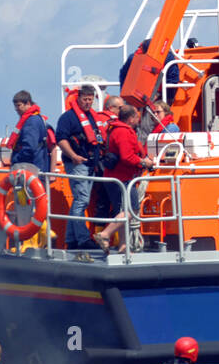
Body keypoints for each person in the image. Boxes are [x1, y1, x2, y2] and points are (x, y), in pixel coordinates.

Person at [94, 103, 156, 253]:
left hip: (116, 177)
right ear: (130, 118)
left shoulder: (115, 129)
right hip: (123, 178)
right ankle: (105, 234)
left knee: (121, 211)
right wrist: (144, 162)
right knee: (131, 211)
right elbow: (127, 156)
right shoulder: (123, 132)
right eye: (136, 117)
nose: (138, 120)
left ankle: (123, 246)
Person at [57, 86, 107, 250]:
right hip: (77, 164)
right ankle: (83, 239)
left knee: (79, 201)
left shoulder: (93, 117)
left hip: (91, 165)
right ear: (78, 98)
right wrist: (73, 156)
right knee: (82, 200)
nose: (87, 102)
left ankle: (71, 239)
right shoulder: (68, 118)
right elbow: (61, 139)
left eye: (90, 99)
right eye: (85, 99)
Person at [6, 90, 55, 173]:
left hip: (31, 167)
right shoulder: (37, 119)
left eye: (19, 105)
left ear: (28, 103)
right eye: (15, 106)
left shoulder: (31, 122)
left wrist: (15, 159)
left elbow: (29, 147)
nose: (16, 109)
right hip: (38, 165)